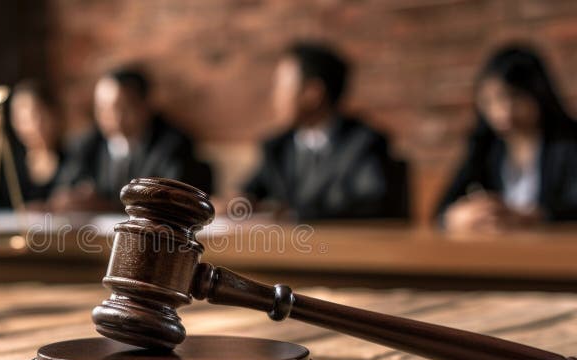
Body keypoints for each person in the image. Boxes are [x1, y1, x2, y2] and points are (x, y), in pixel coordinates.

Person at [243, 42, 404, 221]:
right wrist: (237, 201)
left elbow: (372, 205)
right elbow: (251, 190)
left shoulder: (364, 142)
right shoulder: (277, 145)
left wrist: (294, 215)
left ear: (313, 93)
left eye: (281, 86)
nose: (274, 97)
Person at [437, 45, 577, 232]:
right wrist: (457, 216)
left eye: (514, 97)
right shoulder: (485, 145)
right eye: (491, 100)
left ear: (538, 93)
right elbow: (442, 210)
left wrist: (534, 217)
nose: (504, 111)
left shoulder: (568, 142)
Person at [51, 66, 213, 212]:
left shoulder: (172, 144)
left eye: (120, 107)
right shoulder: (87, 143)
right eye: (102, 109)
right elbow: (63, 190)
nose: (110, 117)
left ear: (144, 105)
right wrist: (72, 197)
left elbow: (171, 202)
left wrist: (108, 206)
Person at [7, 79, 66, 205]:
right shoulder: (9, 167)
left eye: (35, 115)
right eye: (20, 118)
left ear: (53, 114)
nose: (30, 125)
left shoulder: (75, 160)